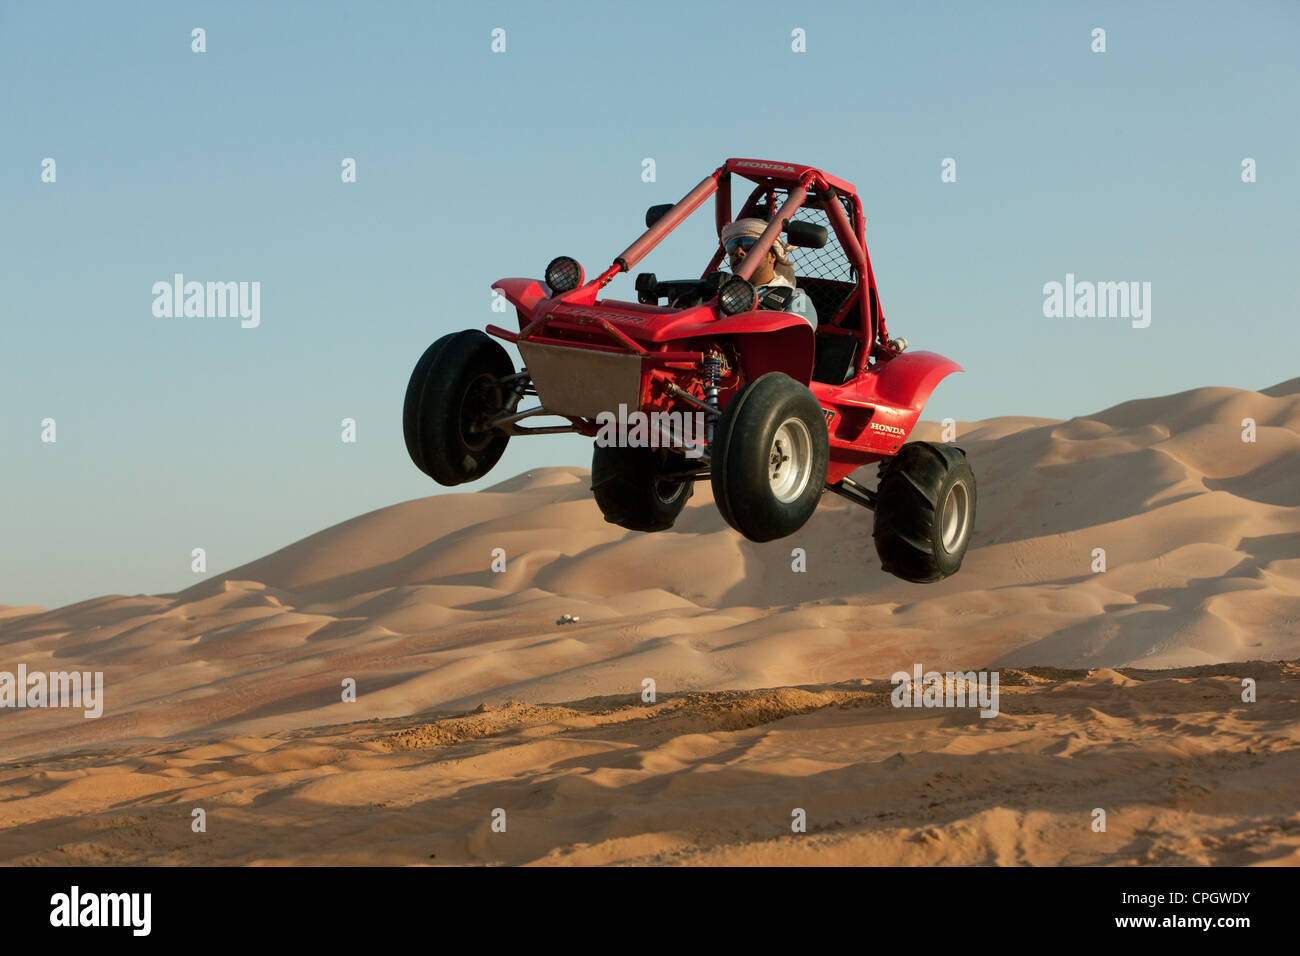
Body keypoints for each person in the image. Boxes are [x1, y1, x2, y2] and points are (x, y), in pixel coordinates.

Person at [719, 218, 818, 327]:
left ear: (772, 256)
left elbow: (798, 333)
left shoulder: (794, 297)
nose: (738, 252)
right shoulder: (719, 295)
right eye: (732, 248)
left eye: (749, 245)